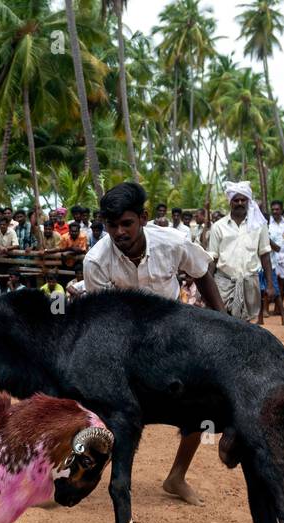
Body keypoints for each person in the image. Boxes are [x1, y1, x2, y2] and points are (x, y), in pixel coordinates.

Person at [85, 181, 226, 506]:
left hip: (172, 332)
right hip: (124, 342)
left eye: (126, 223)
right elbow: (105, 320)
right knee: (105, 409)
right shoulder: (96, 261)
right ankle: (88, 473)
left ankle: (176, 476)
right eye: (111, 225)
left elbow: (202, 272)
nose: (119, 232)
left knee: (200, 402)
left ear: (143, 218)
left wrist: (224, 322)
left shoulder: (174, 242)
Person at [207, 181, 272, 323]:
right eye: (236, 200)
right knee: (223, 322)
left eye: (243, 200)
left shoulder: (259, 225)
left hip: (250, 283)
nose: (240, 203)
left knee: (247, 325)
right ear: (230, 202)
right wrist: (207, 287)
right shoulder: (218, 227)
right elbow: (212, 259)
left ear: (248, 201)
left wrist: (270, 285)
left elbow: (265, 255)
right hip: (224, 283)